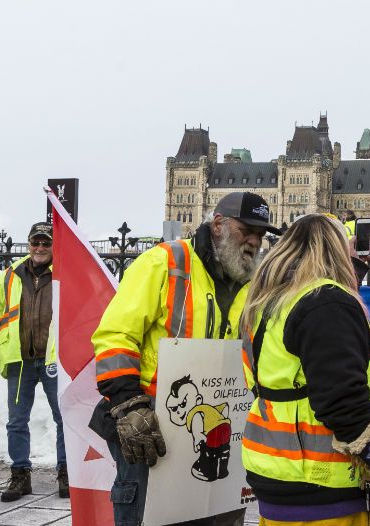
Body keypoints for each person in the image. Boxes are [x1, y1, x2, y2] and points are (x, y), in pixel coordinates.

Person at [91, 191, 279, 526]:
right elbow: (116, 335)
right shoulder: (164, 262)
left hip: (217, 425)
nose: (254, 240)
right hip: (149, 423)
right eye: (246, 229)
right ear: (218, 223)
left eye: (261, 234)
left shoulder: (253, 284)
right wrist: (129, 404)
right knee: (147, 516)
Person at [239, 213, 370, 526]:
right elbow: (342, 402)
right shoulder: (326, 302)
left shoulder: (269, 303)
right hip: (321, 479)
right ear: (336, 249)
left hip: (276, 471)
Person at [0, 222, 67, 501]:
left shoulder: (64, 273)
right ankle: (20, 476)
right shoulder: (11, 275)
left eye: (46, 243)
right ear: (28, 243)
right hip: (19, 360)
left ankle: (66, 473)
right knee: (16, 422)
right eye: (35, 242)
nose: (39, 247)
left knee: (63, 419)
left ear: (53, 247)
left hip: (53, 360)